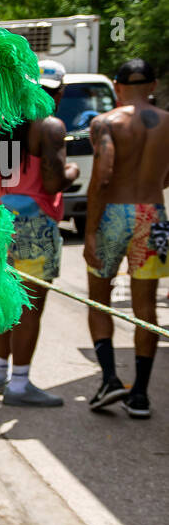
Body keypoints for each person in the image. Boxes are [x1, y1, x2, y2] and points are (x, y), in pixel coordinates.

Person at [0, 61, 78, 407]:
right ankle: (19, 384)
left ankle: (0, 374)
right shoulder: (50, 127)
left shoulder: (0, 126)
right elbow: (52, 181)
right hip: (36, 224)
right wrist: (72, 171)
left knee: (7, 301)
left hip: (3, 221)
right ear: (59, 93)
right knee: (31, 307)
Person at [84, 58, 169, 418]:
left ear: (117, 87)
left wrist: (89, 231)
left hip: (115, 213)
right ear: (153, 85)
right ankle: (141, 396)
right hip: (153, 212)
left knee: (100, 296)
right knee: (146, 306)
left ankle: (110, 380)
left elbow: (103, 176)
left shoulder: (105, 123)